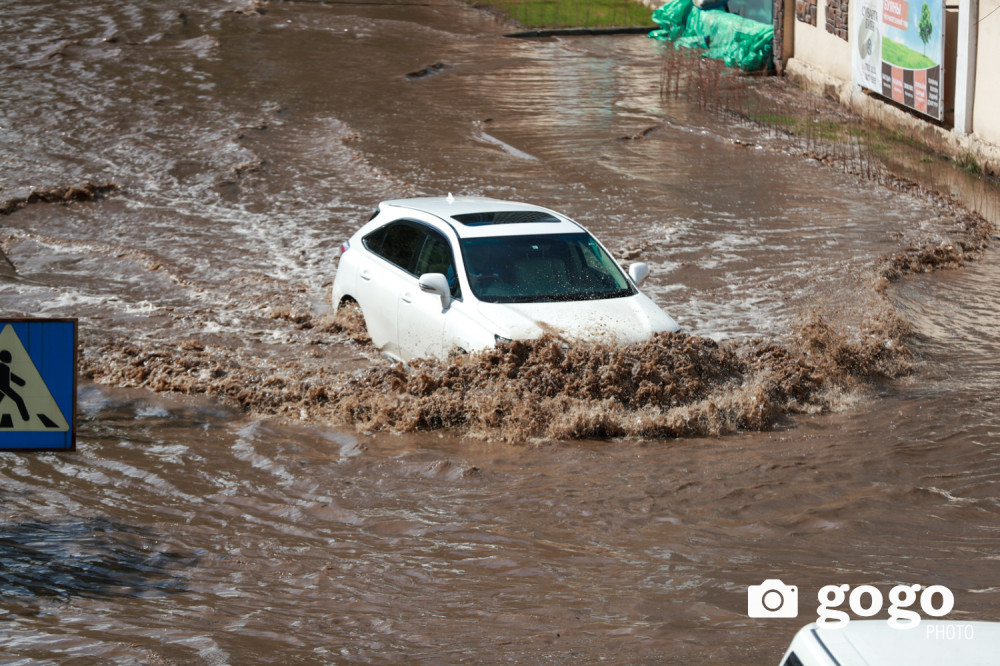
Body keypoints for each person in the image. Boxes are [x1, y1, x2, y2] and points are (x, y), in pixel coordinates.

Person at [0, 349, 30, 422]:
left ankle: (26, 417)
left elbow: (11, 376)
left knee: (18, 399)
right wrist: (21, 382)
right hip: (4, 388)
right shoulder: (3, 367)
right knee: (19, 399)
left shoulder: (5, 367)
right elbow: (11, 377)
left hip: (5, 388)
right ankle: (25, 417)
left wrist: (21, 382)